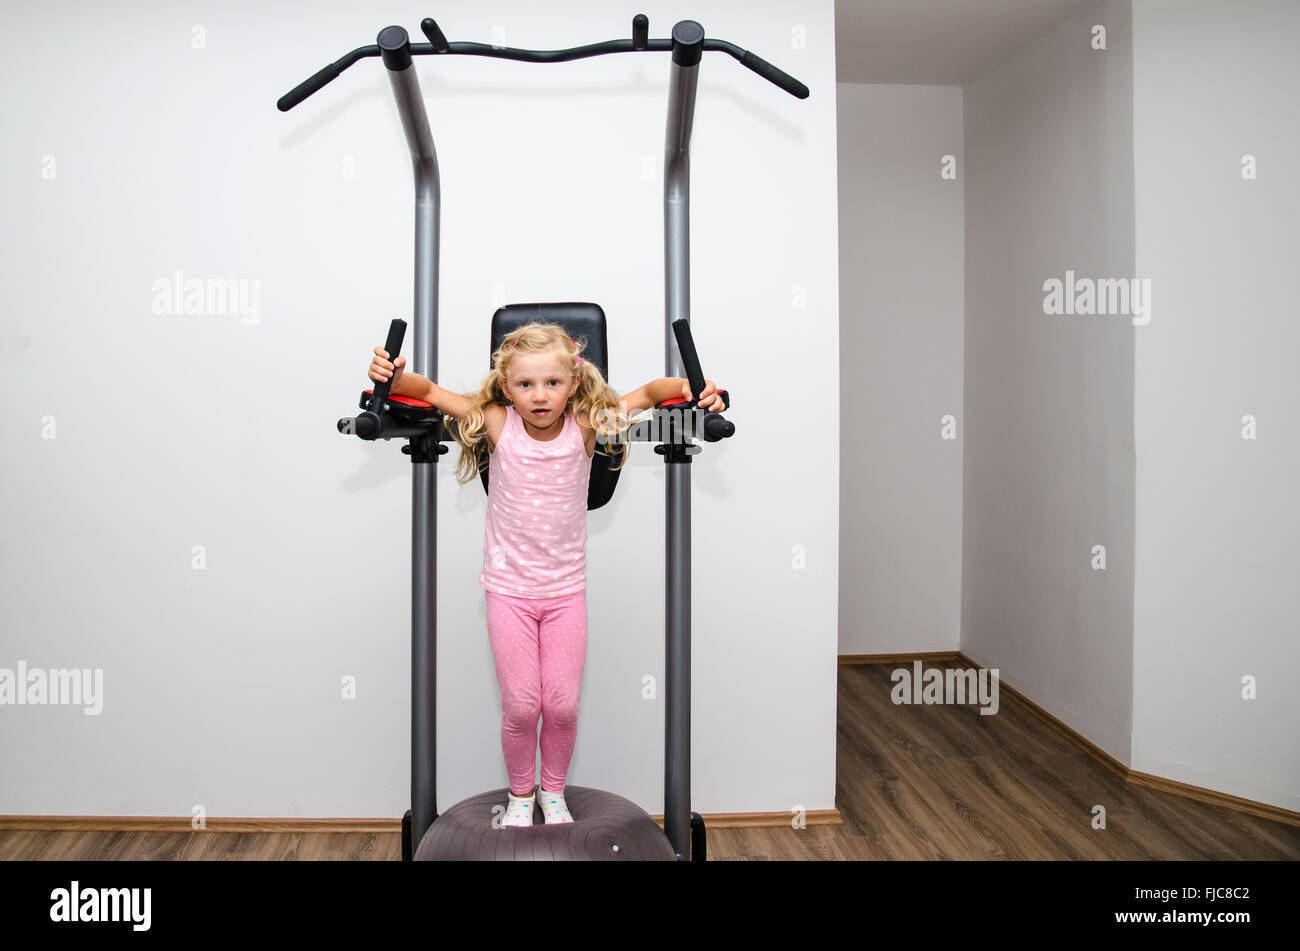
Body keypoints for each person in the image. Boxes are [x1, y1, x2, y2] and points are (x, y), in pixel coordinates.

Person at [368, 320, 723, 826]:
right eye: (525, 385)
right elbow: (421, 390)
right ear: (506, 388)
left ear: (573, 384)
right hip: (508, 593)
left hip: (565, 594)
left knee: (560, 706)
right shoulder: (495, 422)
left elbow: (652, 392)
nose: (539, 396)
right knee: (520, 706)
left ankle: (551, 793)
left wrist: (693, 388)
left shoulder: (587, 424)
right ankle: (519, 796)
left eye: (552, 383)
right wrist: (392, 374)